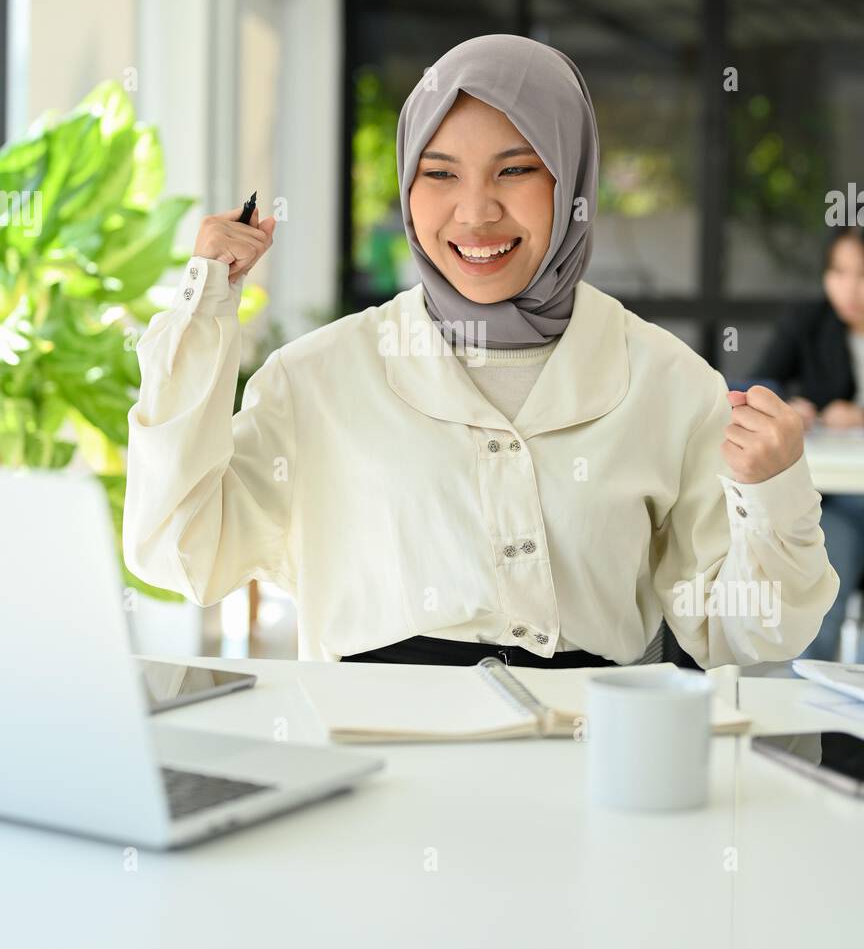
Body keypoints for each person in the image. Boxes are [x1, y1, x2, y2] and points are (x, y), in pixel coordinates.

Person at [122, 34, 838, 668]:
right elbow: (180, 553)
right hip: (374, 777)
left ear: (573, 179)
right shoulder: (318, 377)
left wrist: (776, 496)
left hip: (582, 778)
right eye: (438, 174)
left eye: (516, 170)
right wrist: (202, 308)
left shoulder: (669, 383)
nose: (474, 211)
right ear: (406, 188)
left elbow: (748, 637)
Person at [750, 226, 864, 662]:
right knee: (823, 593)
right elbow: (758, 381)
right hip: (837, 499)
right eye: (838, 273)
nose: (848, 289)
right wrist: (791, 404)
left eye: (861, 274)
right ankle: (811, 710)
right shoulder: (810, 321)